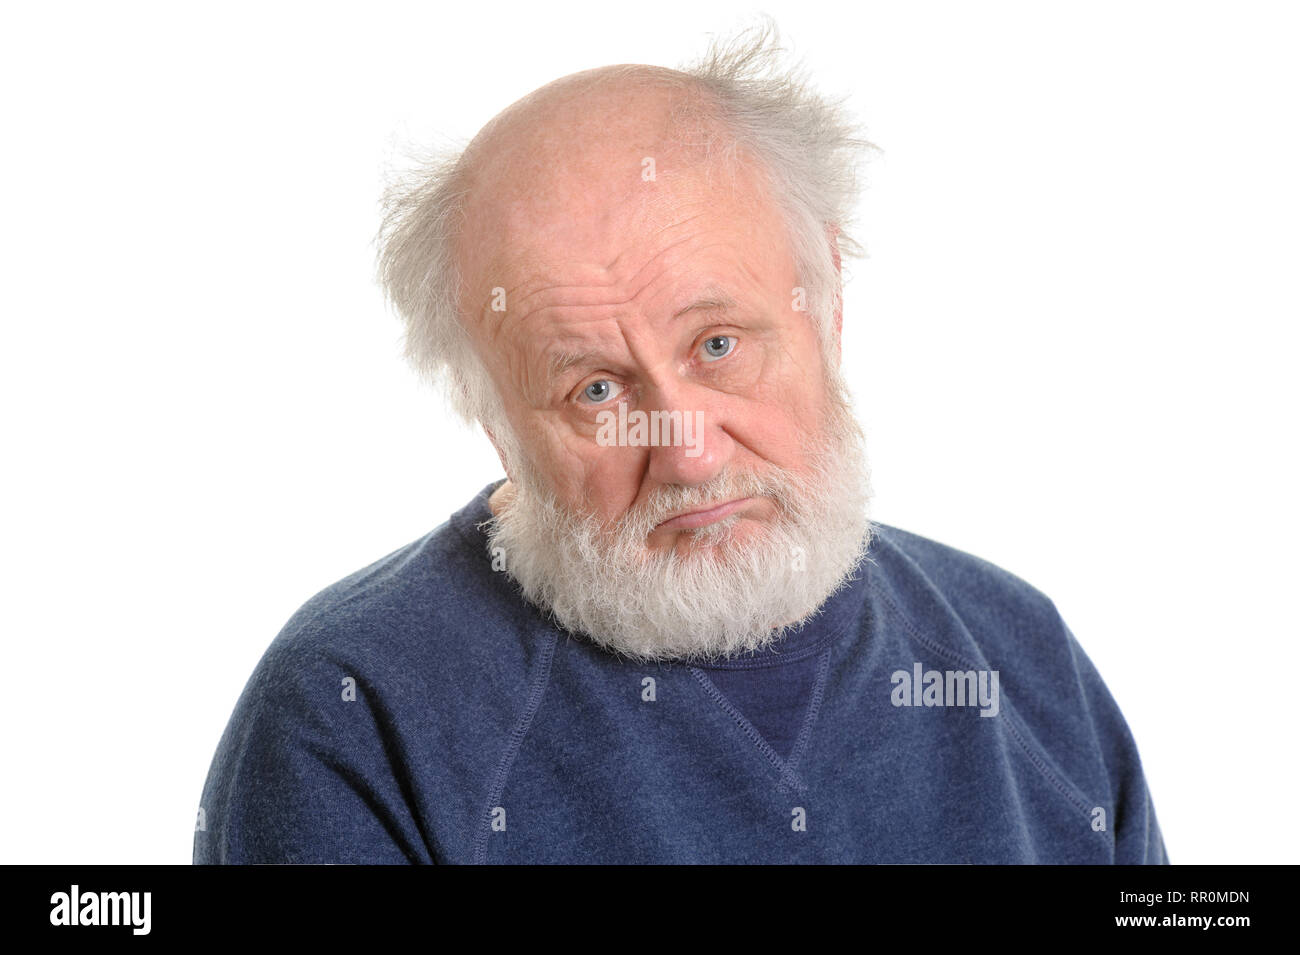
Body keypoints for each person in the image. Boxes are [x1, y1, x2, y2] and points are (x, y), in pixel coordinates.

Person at [194, 21, 1167, 864]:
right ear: (490, 412)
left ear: (824, 301)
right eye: (597, 388)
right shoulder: (353, 715)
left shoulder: (1016, 651)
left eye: (717, 343)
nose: (689, 452)